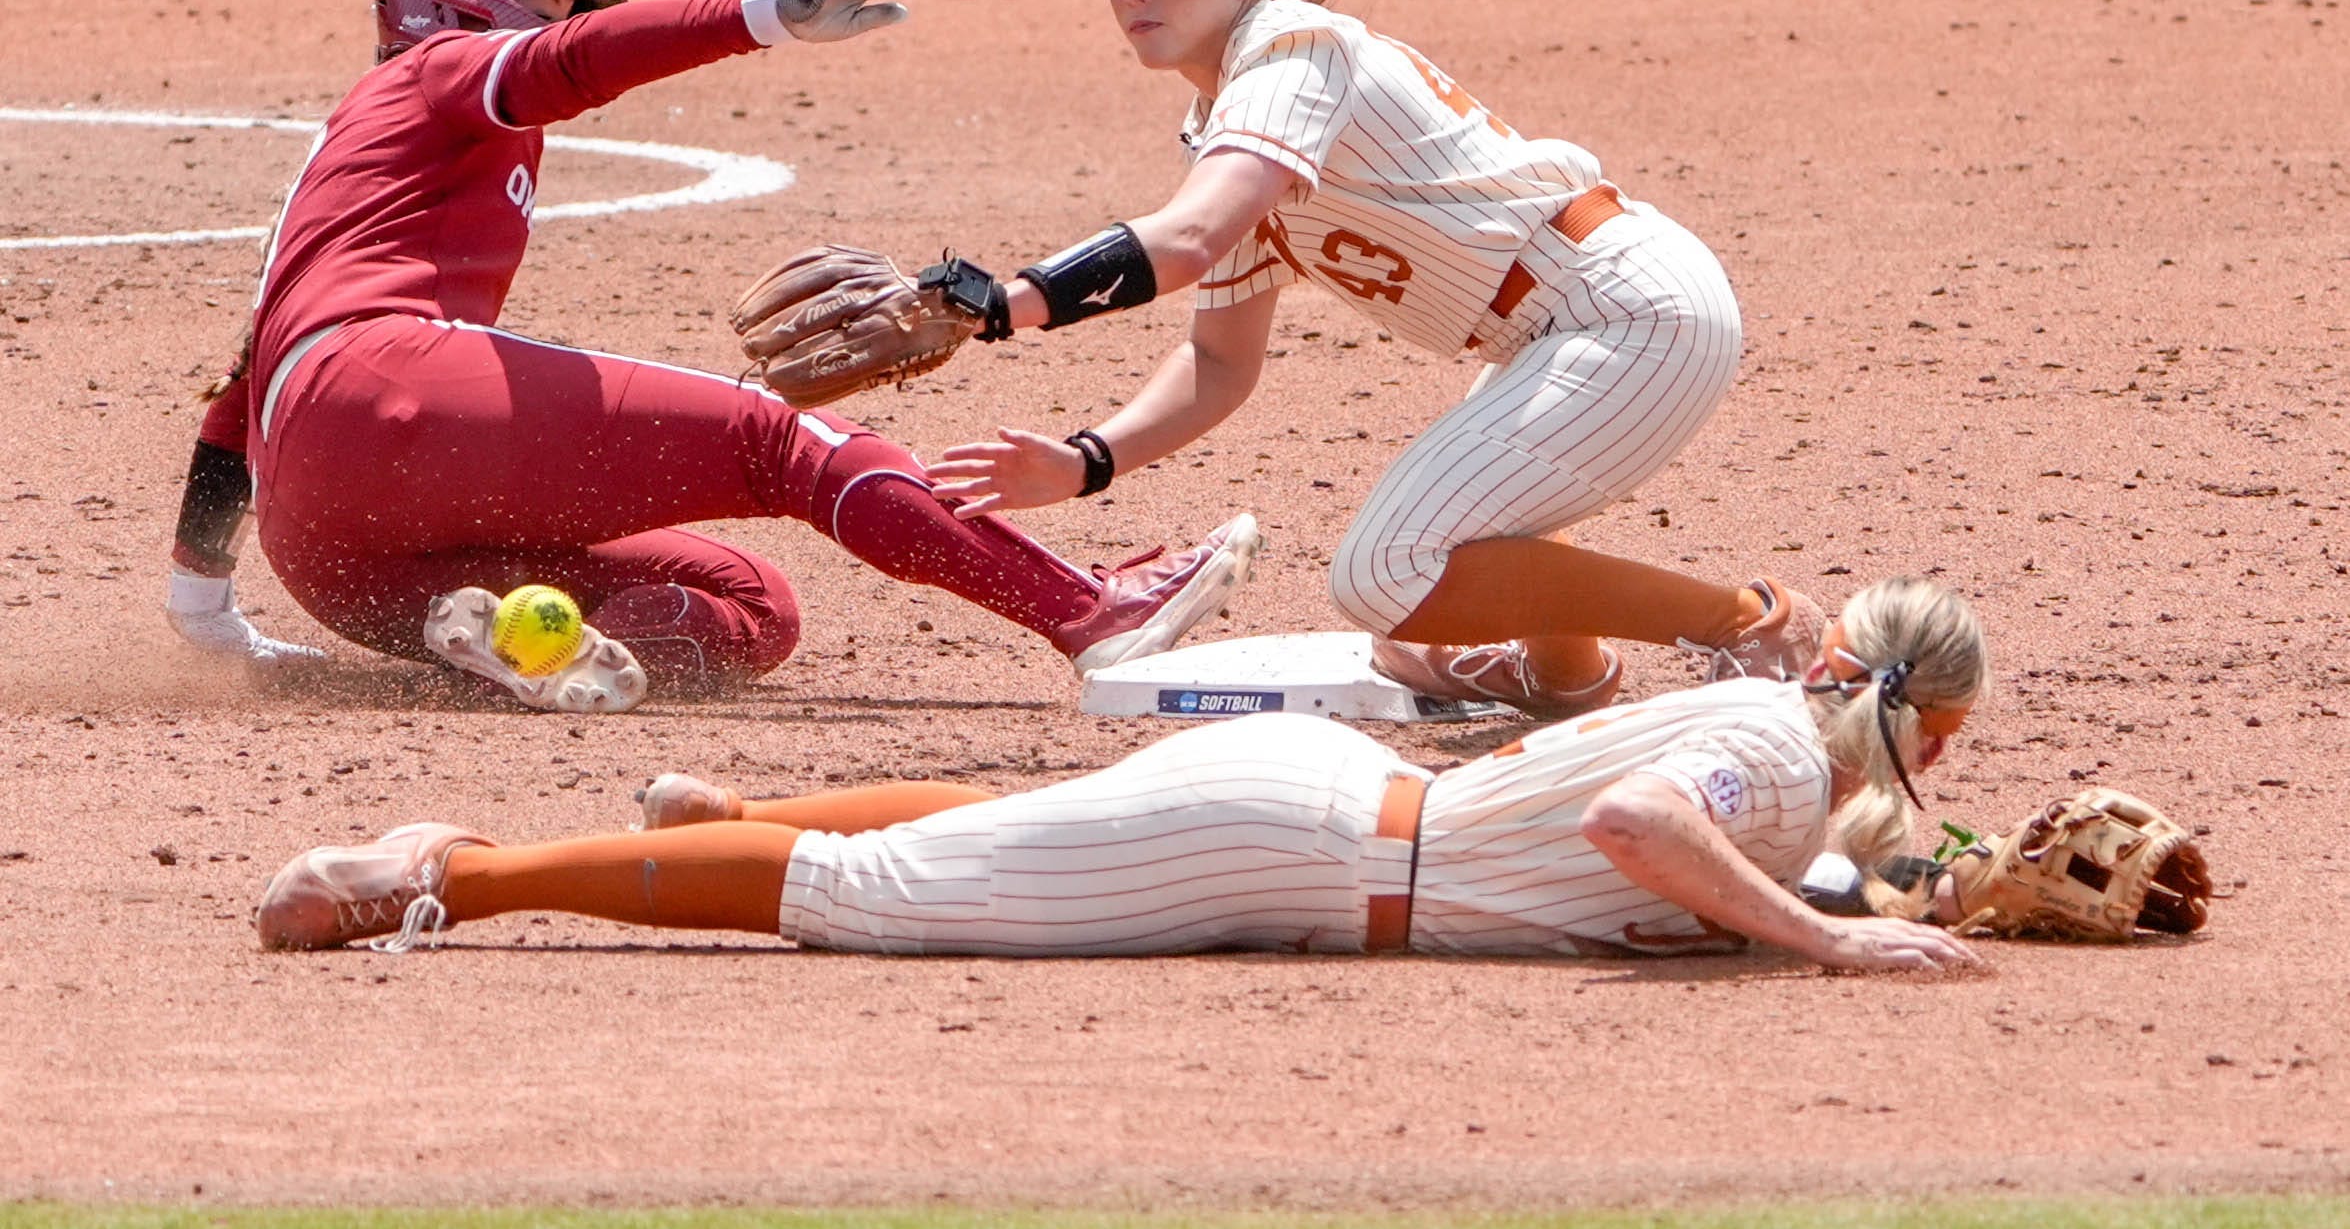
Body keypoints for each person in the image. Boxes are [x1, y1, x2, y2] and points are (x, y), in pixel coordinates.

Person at [162, 0, 1258, 710]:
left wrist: (202, 605)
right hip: (383, 386)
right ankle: (1091, 612)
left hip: (336, 558)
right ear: (458, 8)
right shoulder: (435, 71)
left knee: (748, 609)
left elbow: (239, 394)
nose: (563, 18)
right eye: (543, 1)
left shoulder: (349, 167)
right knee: (783, 443)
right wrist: (768, 14)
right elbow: (567, 63)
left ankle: (507, 637)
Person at [914, 0, 1816, 721]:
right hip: (1561, 327)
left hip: (1626, 310)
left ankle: (1750, 625)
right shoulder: (1234, 125)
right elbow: (1218, 360)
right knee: (1474, 508)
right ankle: (1561, 670)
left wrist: (1004, 303)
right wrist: (1085, 460)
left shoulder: (1293, 51)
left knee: (1385, 574)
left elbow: (1186, 239)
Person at [253, 576, 1987, 972]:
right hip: (1288, 854)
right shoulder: (1760, 753)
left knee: (1005, 831)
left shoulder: (1781, 763)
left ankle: (725, 819)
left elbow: (1829, 860)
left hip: (1317, 820)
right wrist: (1831, 945)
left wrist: (1935, 894)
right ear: (1925, 725)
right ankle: (451, 873)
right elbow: (1637, 827)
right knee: (873, 907)